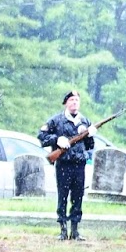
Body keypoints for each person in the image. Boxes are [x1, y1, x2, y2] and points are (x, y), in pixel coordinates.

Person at [38, 89, 95, 241]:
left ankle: (75, 230)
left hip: (79, 164)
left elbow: (89, 146)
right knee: (62, 197)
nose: (74, 103)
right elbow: (42, 136)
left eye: (76, 100)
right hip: (64, 164)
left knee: (78, 197)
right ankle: (63, 229)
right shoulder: (56, 120)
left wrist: (90, 135)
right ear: (66, 103)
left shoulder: (85, 121)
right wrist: (57, 139)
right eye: (71, 100)